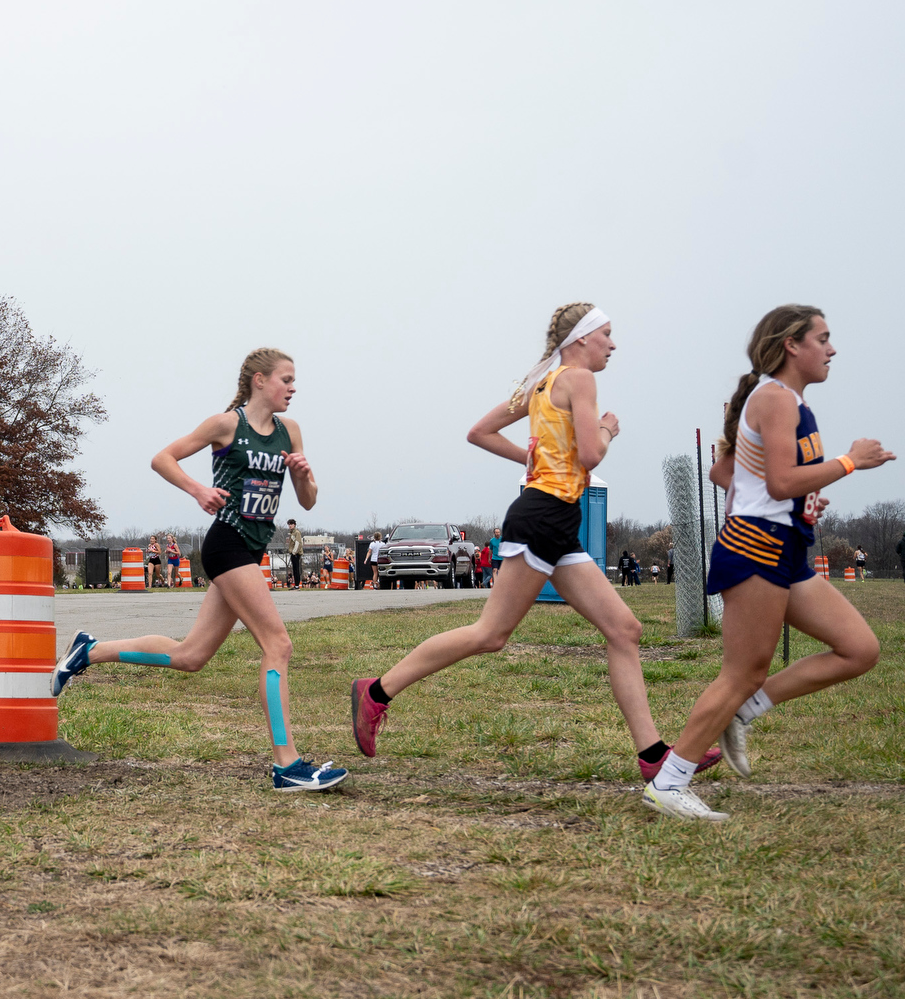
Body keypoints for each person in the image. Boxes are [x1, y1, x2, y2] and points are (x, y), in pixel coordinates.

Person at [350, 303, 716, 783]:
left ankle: (653, 755)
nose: (613, 343)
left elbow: (479, 433)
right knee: (491, 634)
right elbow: (591, 453)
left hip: (554, 517)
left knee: (623, 629)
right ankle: (375, 693)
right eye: (607, 334)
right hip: (544, 517)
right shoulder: (578, 379)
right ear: (582, 339)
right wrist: (607, 427)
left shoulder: (540, 383)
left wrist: (529, 462)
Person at [53, 348, 347, 792]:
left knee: (191, 655)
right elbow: (163, 458)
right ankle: (287, 765)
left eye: (294, 381)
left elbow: (307, 501)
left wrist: (304, 475)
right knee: (278, 644)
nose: (293, 388)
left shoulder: (291, 431)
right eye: (286, 379)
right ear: (260, 381)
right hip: (226, 544)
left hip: (250, 548)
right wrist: (197, 490)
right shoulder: (227, 425)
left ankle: (88, 651)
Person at [646, 306, 893, 820]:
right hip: (755, 546)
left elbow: (735, 475)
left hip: (784, 546)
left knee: (859, 649)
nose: (832, 349)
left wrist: (803, 504)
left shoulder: (790, 402)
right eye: (823, 338)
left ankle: (744, 714)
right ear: (791, 346)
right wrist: (851, 461)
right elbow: (780, 481)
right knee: (743, 671)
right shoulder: (777, 400)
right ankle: (669, 783)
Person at [285, 519, 304, 589]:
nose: (290, 526)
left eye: (291, 524)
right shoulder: (292, 533)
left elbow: (298, 543)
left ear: (294, 525)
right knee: (294, 569)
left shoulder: (297, 533)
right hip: (293, 553)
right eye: (289, 524)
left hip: (296, 554)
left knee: (296, 569)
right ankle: (296, 585)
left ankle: (297, 585)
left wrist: (294, 552)